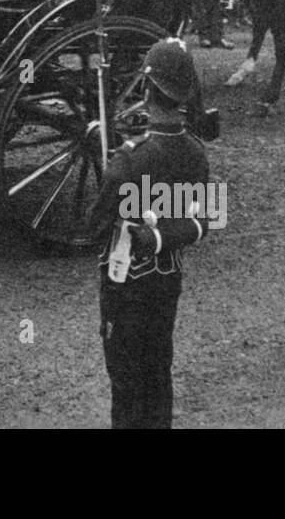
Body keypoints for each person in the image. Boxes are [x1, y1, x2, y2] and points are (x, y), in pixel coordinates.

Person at [85, 38, 210, 428]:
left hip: (126, 285)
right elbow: (205, 221)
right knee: (159, 369)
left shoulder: (130, 159)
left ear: (148, 89)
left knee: (125, 379)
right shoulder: (196, 152)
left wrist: (107, 166)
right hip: (168, 279)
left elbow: (94, 226)